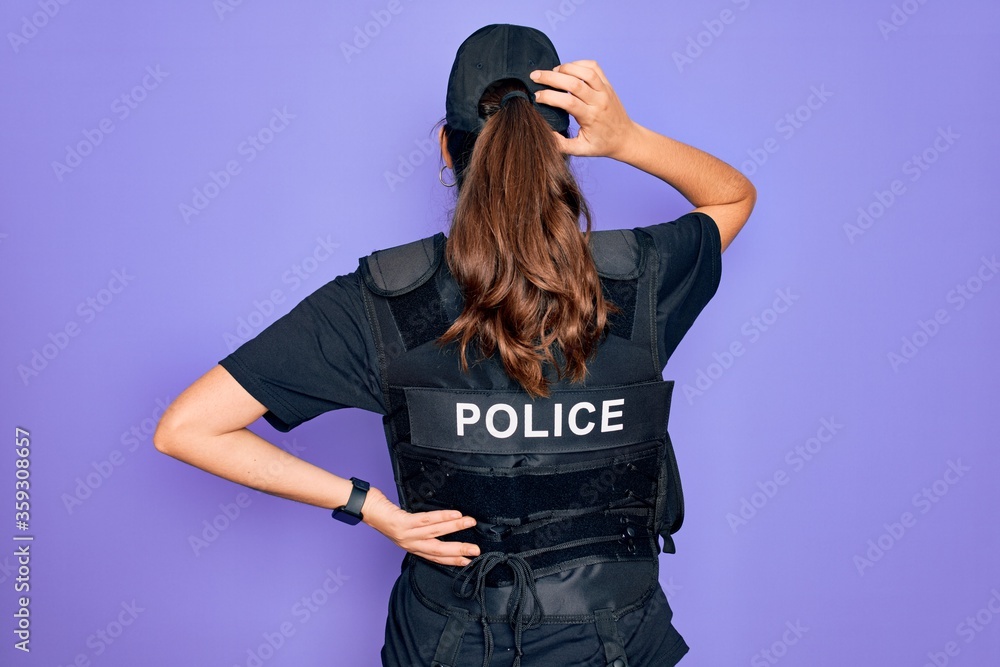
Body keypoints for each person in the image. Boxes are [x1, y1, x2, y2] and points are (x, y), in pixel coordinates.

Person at [154, 23, 754, 667]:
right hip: (614, 641)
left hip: (447, 640)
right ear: (561, 146)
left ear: (446, 148)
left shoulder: (380, 298)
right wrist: (627, 141)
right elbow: (733, 195)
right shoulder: (644, 274)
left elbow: (186, 429)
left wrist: (370, 508)